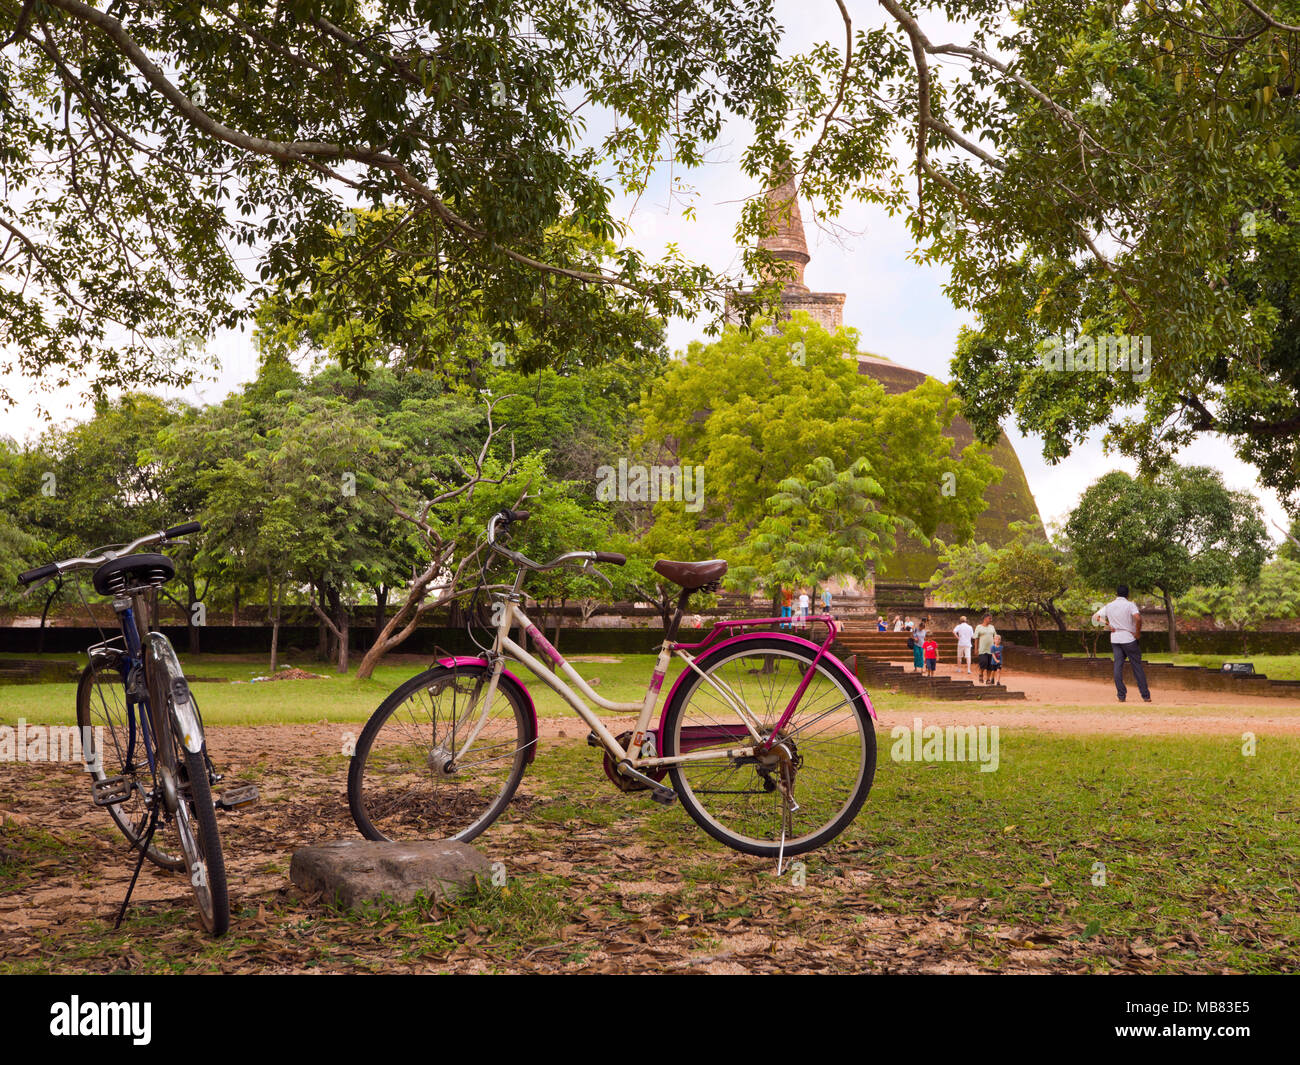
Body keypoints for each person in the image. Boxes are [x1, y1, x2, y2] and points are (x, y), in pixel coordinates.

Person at [1092, 584, 1151, 703]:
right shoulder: (1130, 605)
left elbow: (1095, 617)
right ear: (1128, 594)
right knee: (1137, 667)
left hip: (1115, 639)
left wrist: (1108, 624)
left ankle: (1121, 695)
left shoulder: (1109, 605)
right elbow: (1138, 619)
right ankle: (1145, 695)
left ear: (1116, 594)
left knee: (1117, 667)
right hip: (1129, 638)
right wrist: (1138, 633)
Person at [973, 613, 997, 684]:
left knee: (990, 665)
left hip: (991, 650)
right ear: (985, 618)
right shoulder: (979, 627)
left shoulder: (992, 627)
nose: (991, 620)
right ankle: (981, 674)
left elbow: (995, 637)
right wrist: (976, 649)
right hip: (982, 649)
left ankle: (988, 679)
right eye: (989, 618)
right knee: (983, 663)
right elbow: (976, 638)